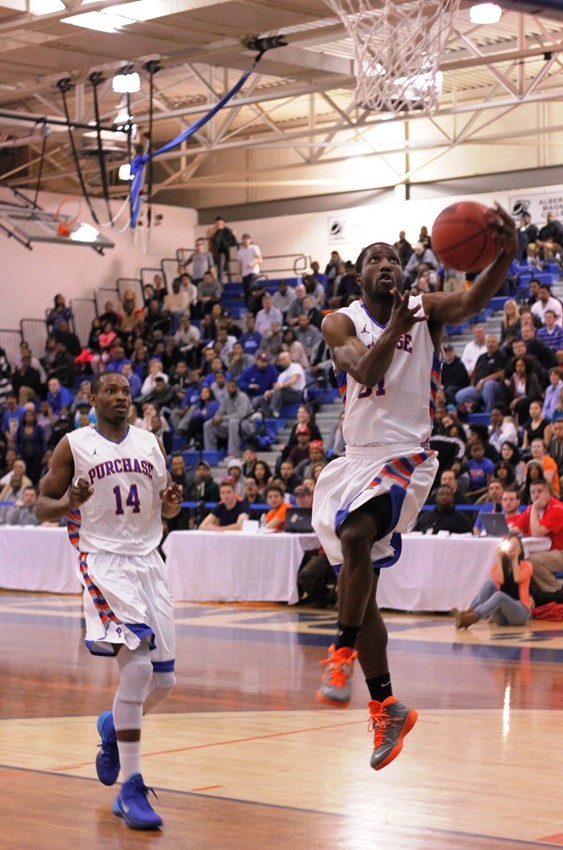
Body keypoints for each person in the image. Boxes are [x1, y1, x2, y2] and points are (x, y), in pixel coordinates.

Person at [310, 205, 517, 771]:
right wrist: (398, 328)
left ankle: (340, 651)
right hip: (355, 459)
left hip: (407, 455)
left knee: (357, 535)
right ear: (358, 275)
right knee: (362, 589)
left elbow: (471, 301)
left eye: (394, 259)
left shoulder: (424, 310)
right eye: (375, 259)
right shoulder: (339, 321)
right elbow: (364, 371)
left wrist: (505, 253)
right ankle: (386, 705)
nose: (386, 265)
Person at [35, 371, 183, 831]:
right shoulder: (74, 444)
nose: (121, 397)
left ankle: (112, 728)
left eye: (126, 392)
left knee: (164, 682)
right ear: (93, 397)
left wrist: (173, 502)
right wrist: (69, 501)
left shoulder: (150, 443)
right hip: (103, 562)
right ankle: (130, 786)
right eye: (111, 391)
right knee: (136, 669)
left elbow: (166, 508)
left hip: (149, 562)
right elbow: (41, 505)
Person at [452, 533, 533, 629]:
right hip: (502, 616)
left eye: (515, 545)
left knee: (499, 596)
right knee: (489, 584)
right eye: (510, 545)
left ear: (521, 549)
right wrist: (499, 557)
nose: (512, 548)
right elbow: (500, 580)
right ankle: (468, 613)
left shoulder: (527, 565)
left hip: (520, 613)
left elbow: (517, 579)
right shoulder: (496, 566)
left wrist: (515, 559)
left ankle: (471, 618)